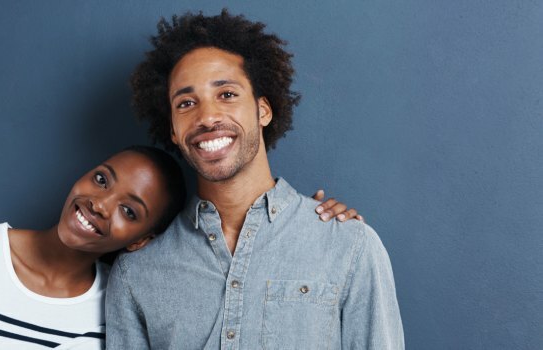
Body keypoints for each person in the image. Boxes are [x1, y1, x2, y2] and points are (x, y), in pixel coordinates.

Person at [106, 10, 404, 349]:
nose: (207, 117)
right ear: (173, 130)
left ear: (263, 110)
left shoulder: (349, 246)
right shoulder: (137, 275)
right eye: (187, 103)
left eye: (227, 94)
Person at [0, 145, 360, 349]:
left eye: (129, 211)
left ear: (141, 241)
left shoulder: (118, 298)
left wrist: (308, 223)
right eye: (102, 179)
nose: (99, 205)